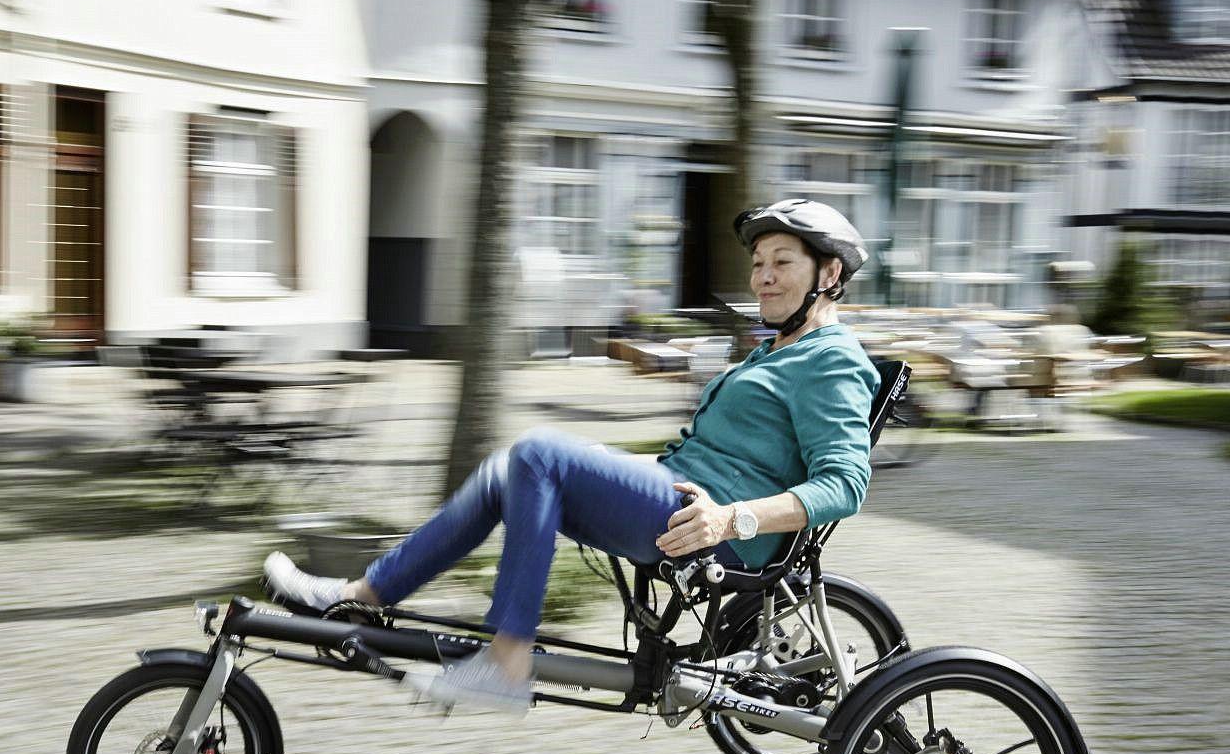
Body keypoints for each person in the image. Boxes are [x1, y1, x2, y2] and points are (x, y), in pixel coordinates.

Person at [264, 198, 881, 712]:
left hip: (716, 530)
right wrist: (610, 463)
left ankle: (508, 661)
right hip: (676, 494)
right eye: (758, 263)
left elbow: (846, 483)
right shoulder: (772, 351)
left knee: (537, 453)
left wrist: (733, 517)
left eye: (782, 262)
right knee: (509, 470)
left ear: (827, 274)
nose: (763, 276)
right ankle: (362, 595)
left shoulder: (833, 358)